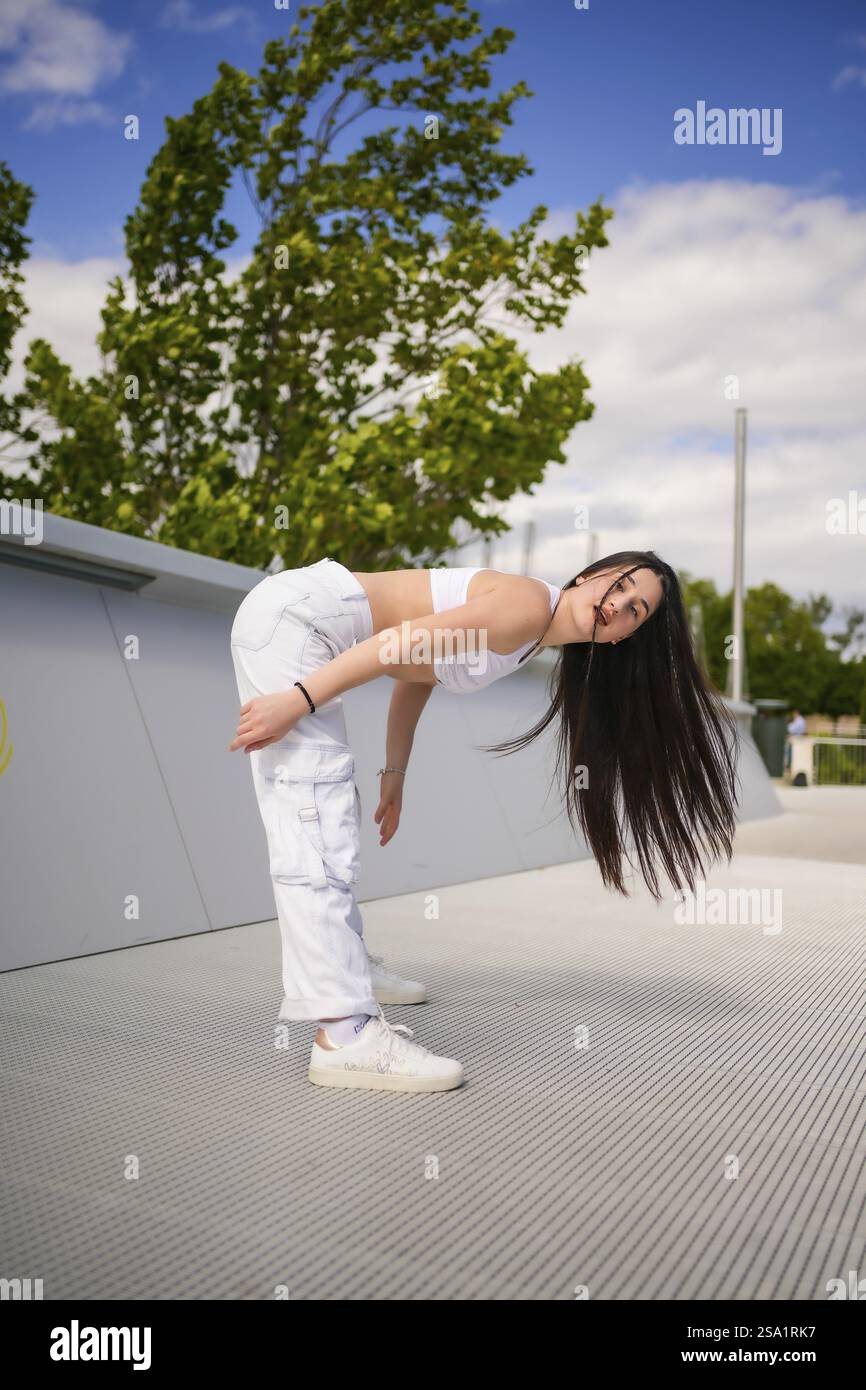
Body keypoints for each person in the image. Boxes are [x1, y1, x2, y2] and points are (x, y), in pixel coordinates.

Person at [228, 550, 740, 1094]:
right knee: (313, 810)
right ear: (592, 573)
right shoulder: (524, 608)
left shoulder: (531, 633)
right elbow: (393, 647)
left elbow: (417, 670)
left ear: (623, 639)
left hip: (304, 624)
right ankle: (345, 1032)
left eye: (636, 611)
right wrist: (300, 700)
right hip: (298, 623)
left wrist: (394, 769)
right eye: (620, 586)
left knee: (329, 812)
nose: (618, 605)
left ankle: (344, 966)